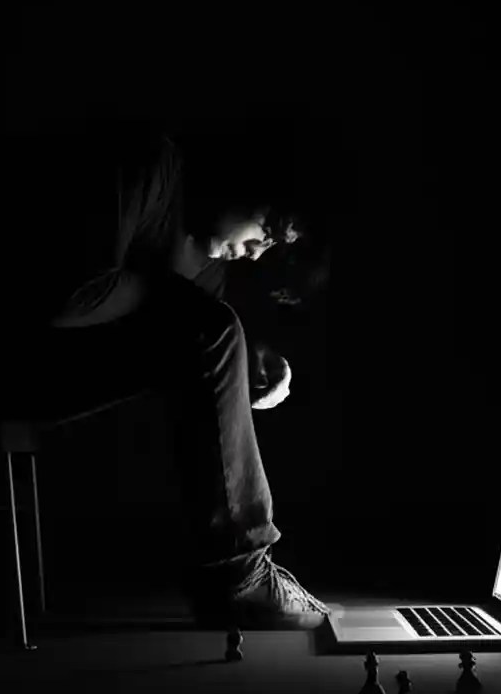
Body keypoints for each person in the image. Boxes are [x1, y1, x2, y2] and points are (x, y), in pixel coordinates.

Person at [45, 132, 329, 629]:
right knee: (212, 327)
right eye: (264, 231)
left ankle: (234, 572)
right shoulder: (150, 169)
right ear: (243, 185)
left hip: (68, 369)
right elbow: (69, 293)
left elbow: (187, 329)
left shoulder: (207, 269)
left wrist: (245, 353)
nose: (258, 254)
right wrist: (208, 325)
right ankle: (240, 574)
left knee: (216, 328)